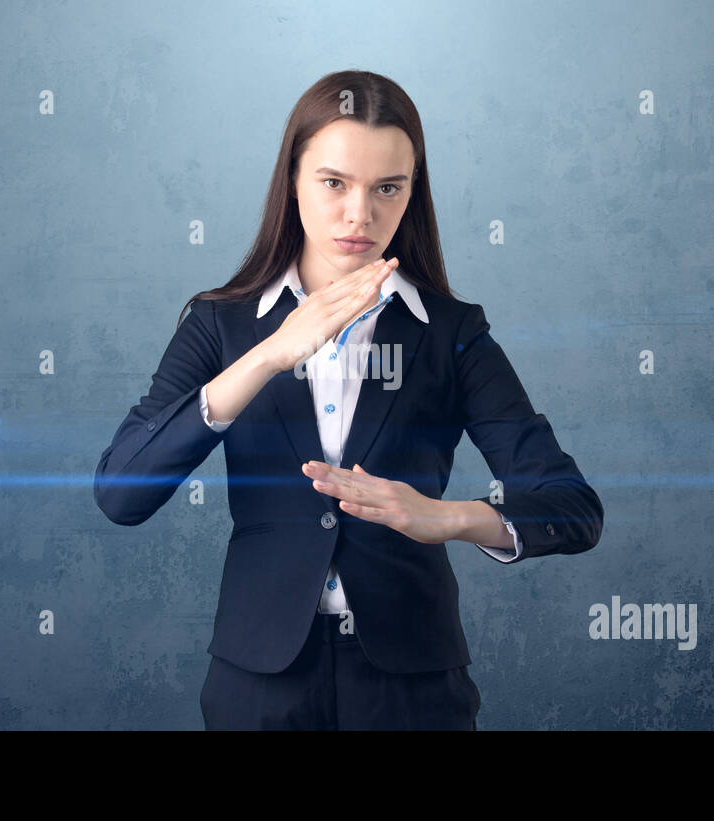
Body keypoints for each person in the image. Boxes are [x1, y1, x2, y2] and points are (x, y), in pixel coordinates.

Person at [94, 70, 604, 730]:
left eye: (387, 188)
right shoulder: (219, 324)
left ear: (411, 194)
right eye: (334, 183)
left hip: (413, 686)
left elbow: (572, 506)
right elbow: (122, 490)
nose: (360, 214)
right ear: (294, 181)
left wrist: (449, 517)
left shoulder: (452, 333)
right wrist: (271, 354)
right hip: (258, 684)